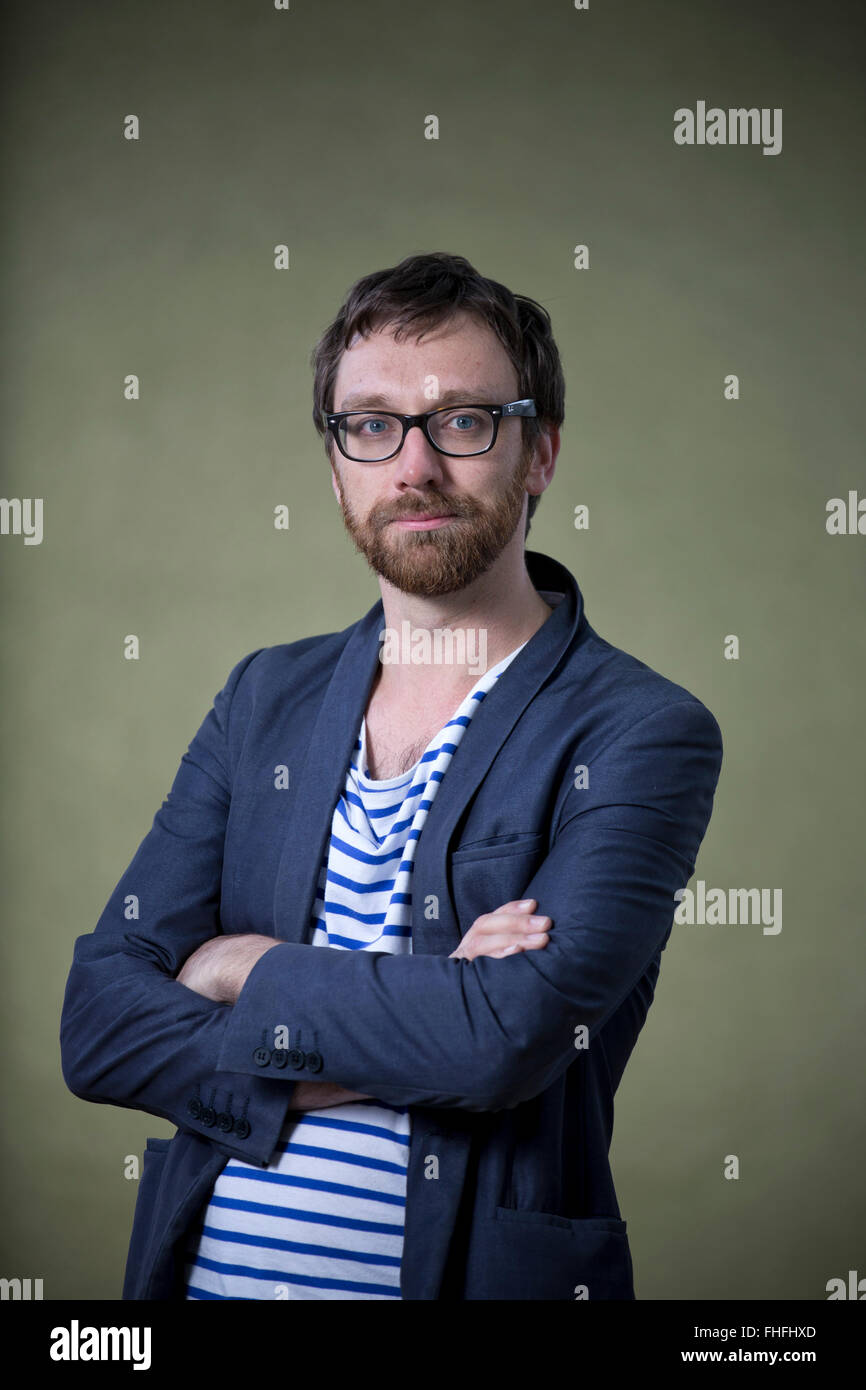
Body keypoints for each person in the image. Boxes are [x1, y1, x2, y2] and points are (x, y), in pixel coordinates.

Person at [60, 251, 723, 1300]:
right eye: (370, 425)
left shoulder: (637, 729)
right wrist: (433, 1002)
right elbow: (99, 1024)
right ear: (335, 466)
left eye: (462, 421)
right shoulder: (262, 698)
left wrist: (239, 967)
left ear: (539, 452)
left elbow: (502, 1041)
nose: (412, 466)